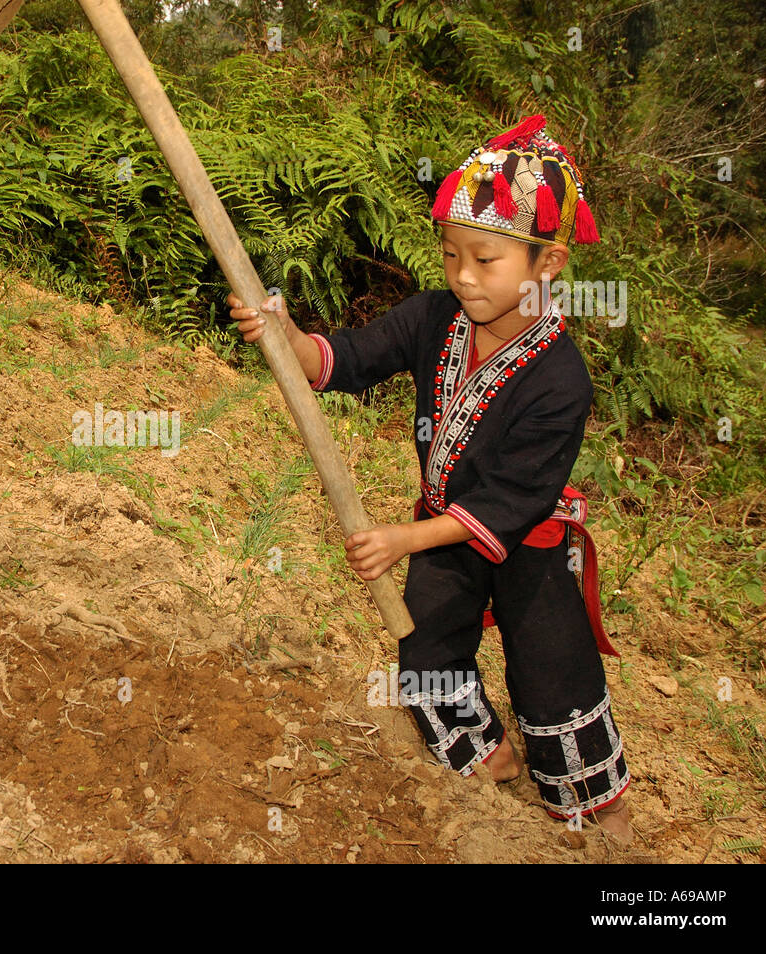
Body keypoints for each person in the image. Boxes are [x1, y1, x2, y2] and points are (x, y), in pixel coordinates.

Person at [227, 115, 632, 843]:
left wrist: (404, 538)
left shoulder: (561, 378)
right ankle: (489, 759)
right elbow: (346, 359)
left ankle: (595, 808)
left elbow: (514, 500)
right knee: (426, 650)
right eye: (451, 255)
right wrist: (283, 333)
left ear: (548, 265)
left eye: (485, 259)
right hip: (444, 534)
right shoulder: (436, 315)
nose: (464, 277)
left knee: (553, 671)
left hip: (528, 546)